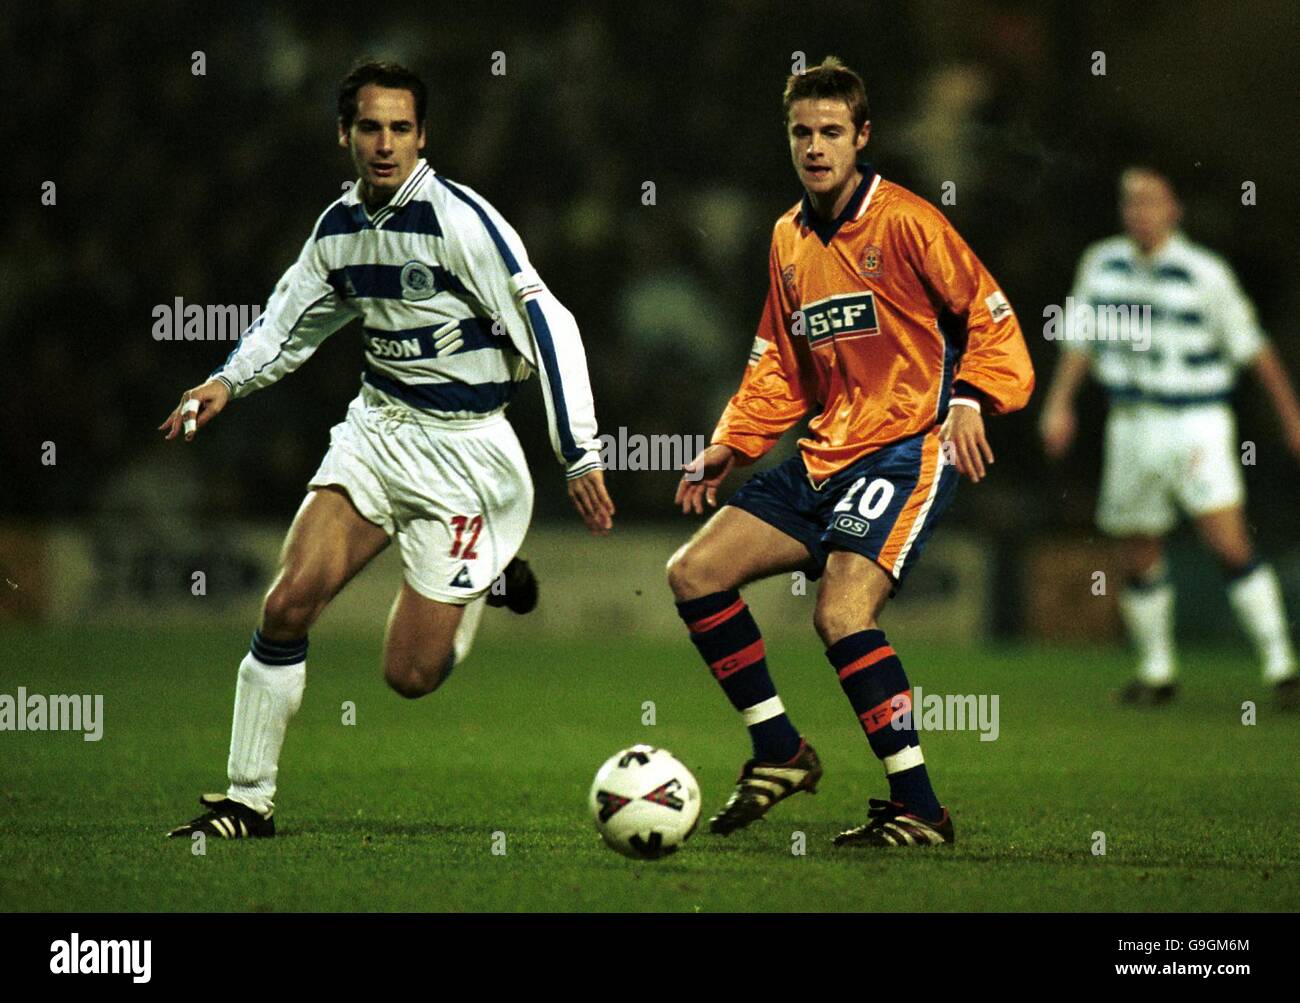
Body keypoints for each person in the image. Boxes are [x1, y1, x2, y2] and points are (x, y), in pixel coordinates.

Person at [160, 60, 614, 839]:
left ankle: (486, 579)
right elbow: (288, 320)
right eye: (370, 126)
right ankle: (246, 800)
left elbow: (550, 321)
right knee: (287, 600)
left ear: (423, 135)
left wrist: (577, 448)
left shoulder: (459, 220)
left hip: (467, 455)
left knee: (409, 675)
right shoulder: (338, 230)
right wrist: (224, 382)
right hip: (376, 431)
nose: (385, 143)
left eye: (401, 128)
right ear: (345, 134)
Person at [666, 57, 1033, 848]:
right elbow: (779, 359)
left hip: (904, 448)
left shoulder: (905, 221)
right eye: (802, 132)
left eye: (831, 132)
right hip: (823, 452)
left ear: (862, 137)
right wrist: (733, 442)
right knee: (693, 573)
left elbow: (991, 315)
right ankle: (778, 748)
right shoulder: (788, 237)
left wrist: (971, 397)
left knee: (840, 613)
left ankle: (921, 808)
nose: (815, 146)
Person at [1039, 166, 1299, 708]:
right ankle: (1157, 672)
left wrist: (1291, 418)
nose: (1139, 211)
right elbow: (1079, 341)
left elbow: (1256, 349)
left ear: (1173, 209)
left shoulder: (1203, 273)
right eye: (1131, 200)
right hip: (1131, 422)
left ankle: (1282, 667)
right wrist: (1059, 403)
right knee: (1138, 547)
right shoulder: (1103, 263)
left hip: (1195, 420)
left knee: (1227, 542)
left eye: (1151, 200)